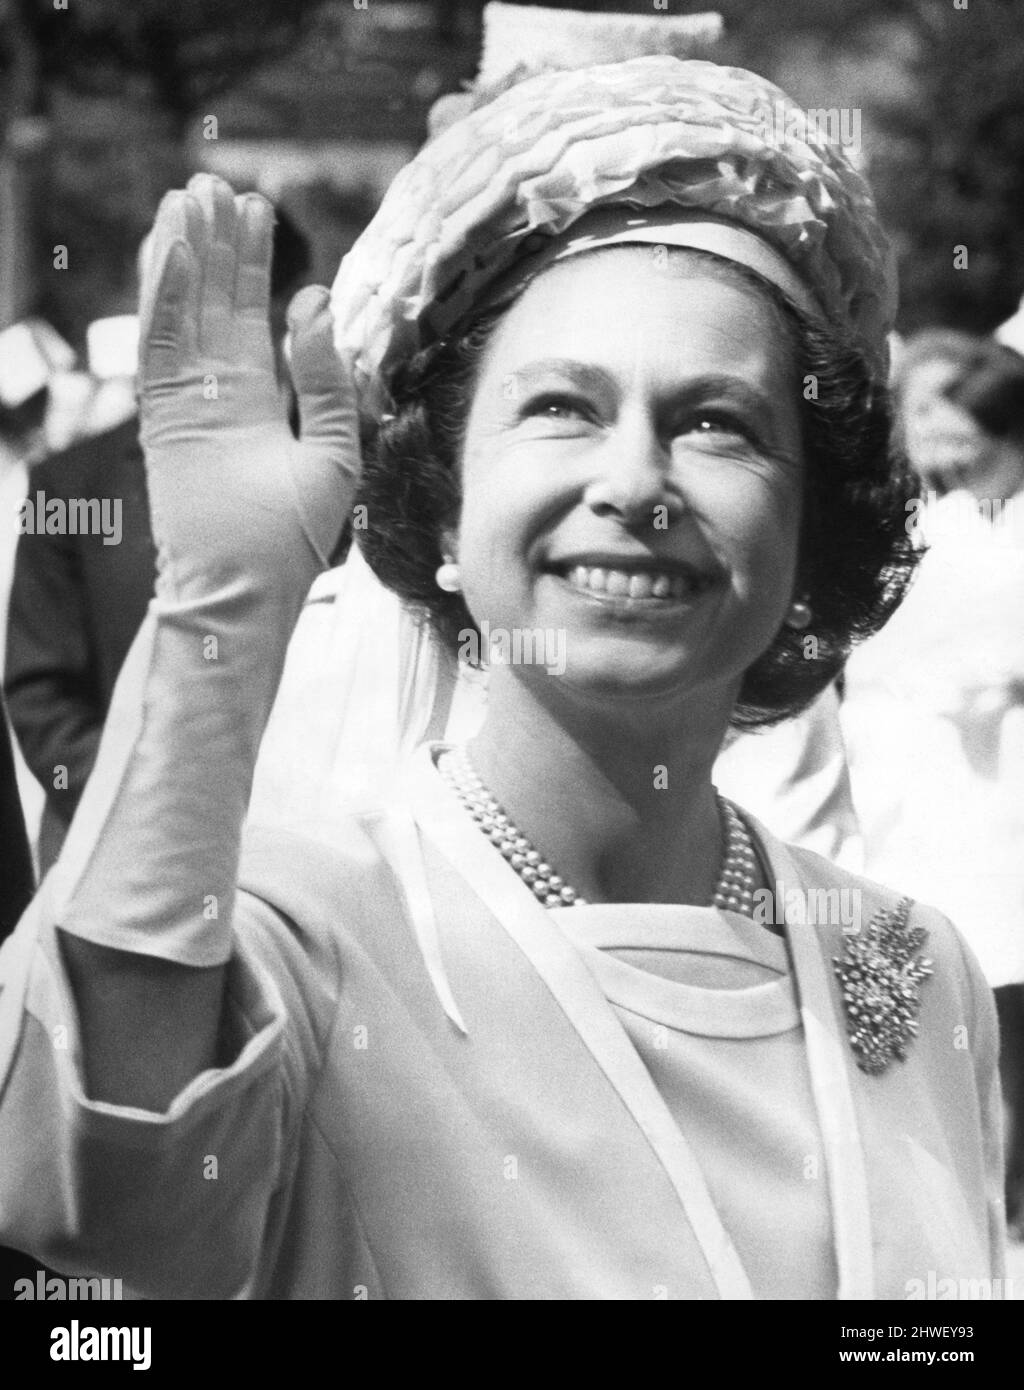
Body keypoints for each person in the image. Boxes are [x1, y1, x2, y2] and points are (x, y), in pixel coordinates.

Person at [0, 21, 1004, 1300]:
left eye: (716, 422)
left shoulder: (913, 965)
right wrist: (220, 604)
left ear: (811, 529)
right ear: (447, 511)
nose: (635, 482)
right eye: (560, 408)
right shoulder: (298, 937)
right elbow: (90, 1194)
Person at [3, 209, 313, 872]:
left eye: (182, 300)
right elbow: (41, 690)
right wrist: (160, 809)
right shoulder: (73, 485)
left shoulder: (341, 472)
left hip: (311, 853)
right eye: (152, 300)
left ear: (278, 308)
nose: (159, 328)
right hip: (119, 854)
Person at [844, 338, 1024, 1234]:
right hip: (913, 792)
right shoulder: (926, 532)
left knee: (995, 993)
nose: (938, 449)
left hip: (990, 795)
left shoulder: (981, 535)